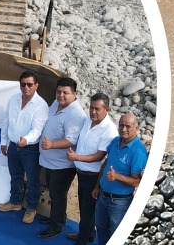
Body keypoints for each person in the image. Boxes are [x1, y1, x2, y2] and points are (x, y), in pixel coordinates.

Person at [37, 78, 86, 240]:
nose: (61, 96)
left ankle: (56, 227)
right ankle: (58, 217)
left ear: (75, 94)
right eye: (59, 92)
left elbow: (71, 140)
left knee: (58, 195)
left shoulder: (75, 114)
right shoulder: (56, 104)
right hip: (50, 161)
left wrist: (51, 145)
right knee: (54, 191)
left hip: (63, 164)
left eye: (66, 93)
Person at [0, 70, 49, 225]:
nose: (26, 87)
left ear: (36, 85)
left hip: (30, 149)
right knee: (15, 175)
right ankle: (15, 202)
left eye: (30, 84)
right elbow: (7, 120)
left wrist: (26, 140)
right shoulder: (13, 99)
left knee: (33, 180)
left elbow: (37, 130)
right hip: (13, 145)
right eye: (23, 84)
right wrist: (3, 141)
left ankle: (31, 208)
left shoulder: (41, 105)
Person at [67, 94, 115, 244]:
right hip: (81, 172)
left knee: (87, 210)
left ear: (106, 109)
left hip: (93, 175)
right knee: (84, 206)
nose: (93, 112)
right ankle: (88, 234)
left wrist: (76, 158)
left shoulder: (109, 130)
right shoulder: (89, 120)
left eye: (97, 109)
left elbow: (100, 155)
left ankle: (81, 240)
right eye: (91, 107)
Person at [93, 112, 148, 245]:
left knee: (116, 234)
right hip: (102, 196)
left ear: (137, 128)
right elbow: (106, 163)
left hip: (119, 202)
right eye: (121, 125)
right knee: (100, 228)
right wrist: (97, 186)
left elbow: (138, 182)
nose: (123, 129)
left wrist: (117, 177)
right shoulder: (115, 141)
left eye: (128, 126)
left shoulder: (138, 151)